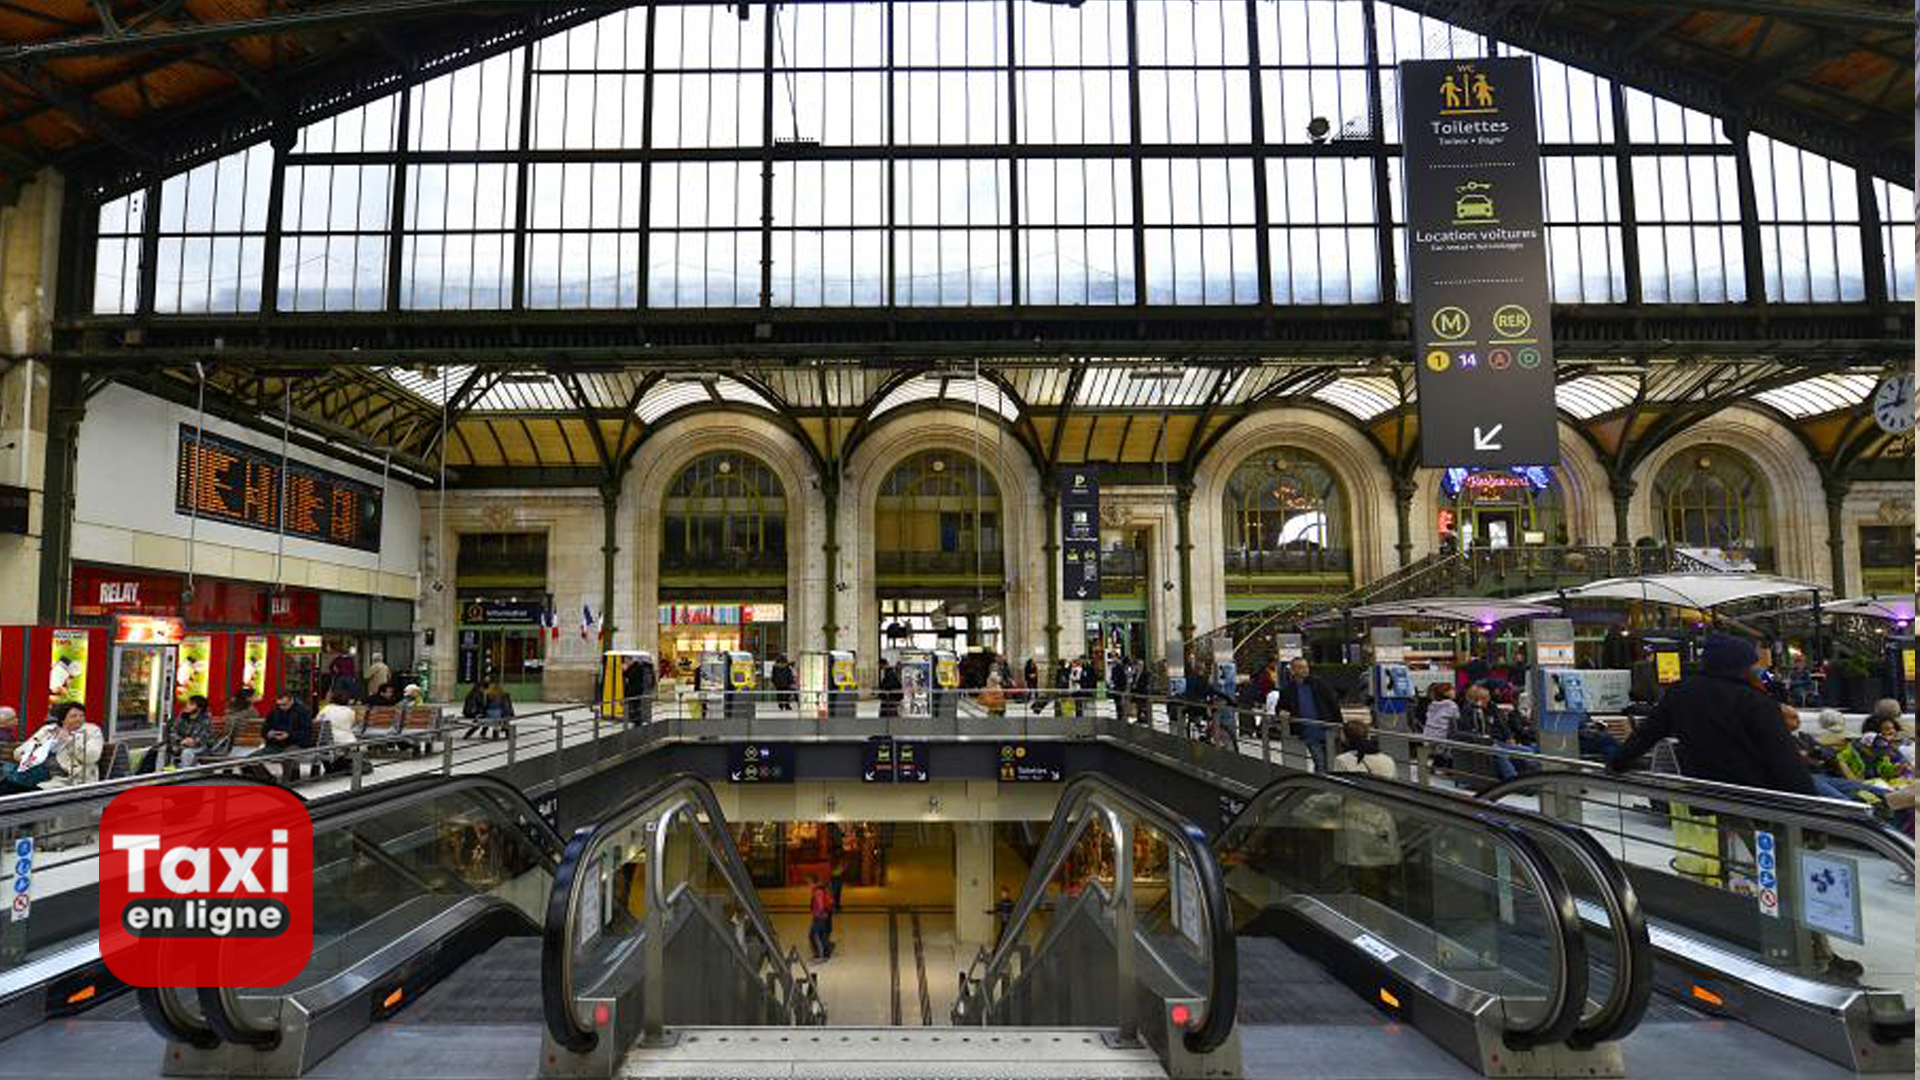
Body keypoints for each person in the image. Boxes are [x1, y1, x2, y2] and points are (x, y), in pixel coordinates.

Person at [1609, 633, 1815, 795]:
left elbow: (1647, 734)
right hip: (1756, 796)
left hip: (1704, 791)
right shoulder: (1754, 701)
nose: (1756, 669)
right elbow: (1784, 759)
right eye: (1752, 664)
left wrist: (1617, 763)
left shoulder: (1681, 692)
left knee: (1725, 846)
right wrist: (1810, 809)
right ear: (1739, 665)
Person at [1274, 657, 1340, 773]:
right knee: (1320, 762)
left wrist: (1339, 725)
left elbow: (1333, 704)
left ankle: (1323, 785)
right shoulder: (1288, 689)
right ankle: (1323, 787)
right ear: (1293, 671)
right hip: (1308, 731)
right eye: (1300, 667)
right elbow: (1280, 706)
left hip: (1326, 729)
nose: (1304, 670)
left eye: (1306, 667)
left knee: (1330, 763)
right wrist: (1281, 711)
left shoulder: (1319, 684)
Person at [168, 694, 216, 767]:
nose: (187, 706)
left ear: (200, 708)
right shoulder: (183, 717)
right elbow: (173, 731)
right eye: (188, 703)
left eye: (191, 704)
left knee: (187, 753)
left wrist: (193, 741)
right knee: (164, 750)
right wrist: (181, 740)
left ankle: (185, 775)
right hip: (182, 745)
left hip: (201, 747)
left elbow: (207, 737)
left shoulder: (205, 719)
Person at [808, 876, 834, 962]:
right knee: (822, 935)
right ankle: (826, 953)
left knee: (814, 935)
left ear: (813, 883)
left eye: (809, 883)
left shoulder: (817, 891)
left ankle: (819, 956)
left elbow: (820, 905)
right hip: (823, 917)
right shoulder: (821, 889)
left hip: (819, 917)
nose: (809, 886)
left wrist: (818, 915)